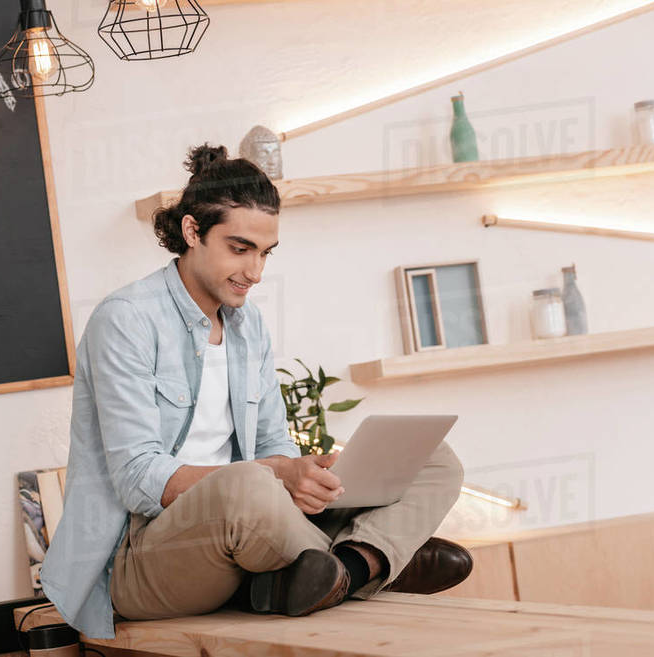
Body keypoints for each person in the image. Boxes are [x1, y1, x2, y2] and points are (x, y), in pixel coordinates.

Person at [39, 144, 469, 640]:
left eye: (265, 253)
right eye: (240, 249)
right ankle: (371, 564)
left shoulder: (249, 327)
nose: (255, 272)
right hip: (146, 555)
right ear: (192, 232)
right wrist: (274, 474)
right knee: (246, 484)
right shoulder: (127, 320)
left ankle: (343, 569)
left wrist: (300, 477)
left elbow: (272, 447)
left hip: (252, 524)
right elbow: (138, 479)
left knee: (435, 459)